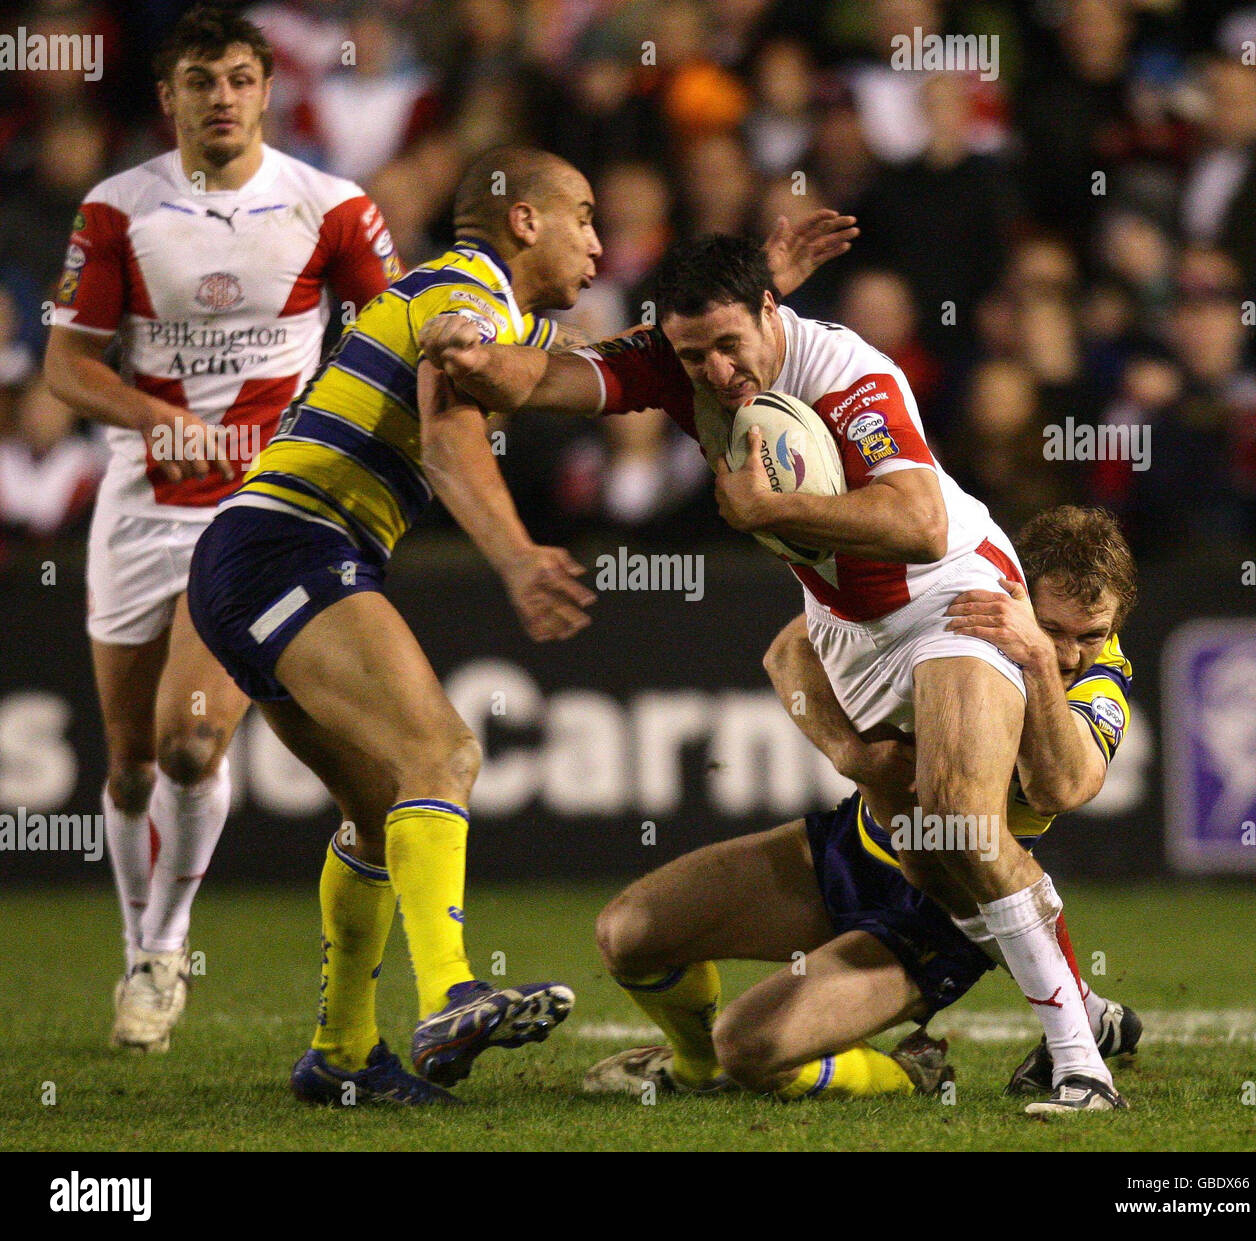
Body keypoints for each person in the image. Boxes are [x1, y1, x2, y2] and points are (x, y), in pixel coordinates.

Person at [186, 145, 855, 1105]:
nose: (598, 239)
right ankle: (450, 990)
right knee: (443, 755)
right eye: (583, 216)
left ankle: (340, 1054)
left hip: (256, 552)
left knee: (380, 810)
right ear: (524, 222)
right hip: (289, 546)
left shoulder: (478, 302)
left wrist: (758, 292)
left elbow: (605, 361)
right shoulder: (470, 289)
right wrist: (514, 556)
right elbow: (452, 418)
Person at [422, 235, 1126, 1112]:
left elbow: (915, 520)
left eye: (730, 345)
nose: (716, 373)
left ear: (771, 313)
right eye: (692, 354)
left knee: (953, 810)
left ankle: (1079, 1064)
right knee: (631, 934)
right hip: (851, 635)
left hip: (951, 590)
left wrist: (767, 508)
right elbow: (531, 379)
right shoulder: (677, 364)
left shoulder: (848, 372)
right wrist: (463, 338)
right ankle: (691, 1067)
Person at [42, 4, 402, 1054]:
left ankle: (165, 946)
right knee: (124, 764)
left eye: (241, 78)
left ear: (267, 88)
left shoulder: (329, 206)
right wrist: (155, 416)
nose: (224, 99)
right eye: (202, 82)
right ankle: (137, 944)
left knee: (190, 742)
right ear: (170, 99)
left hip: (256, 513)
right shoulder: (118, 210)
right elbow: (67, 366)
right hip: (140, 501)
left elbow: (386, 344)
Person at [584, 506, 1142, 1105]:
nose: (1068, 654)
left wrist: (1032, 655)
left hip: (937, 912)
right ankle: (694, 1069)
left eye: (1091, 635)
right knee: (628, 934)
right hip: (848, 848)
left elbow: (1063, 786)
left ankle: (910, 1074)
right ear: (1015, 589)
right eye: (1053, 629)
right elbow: (790, 652)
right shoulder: (956, 597)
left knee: (749, 1048)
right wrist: (848, 752)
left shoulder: (1100, 679)